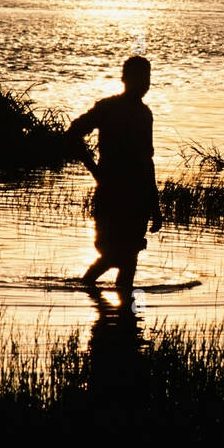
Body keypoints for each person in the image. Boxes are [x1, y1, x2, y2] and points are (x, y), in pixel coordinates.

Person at [66, 55, 163, 294]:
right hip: (111, 193)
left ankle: (123, 322)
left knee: (129, 260)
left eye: (147, 78)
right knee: (114, 255)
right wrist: (95, 171)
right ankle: (87, 291)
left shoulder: (144, 114)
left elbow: (146, 161)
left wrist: (155, 205)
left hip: (137, 197)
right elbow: (73, 134)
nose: (144, 84)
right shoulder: (107, 108)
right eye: (139, 78)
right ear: (124, 79)